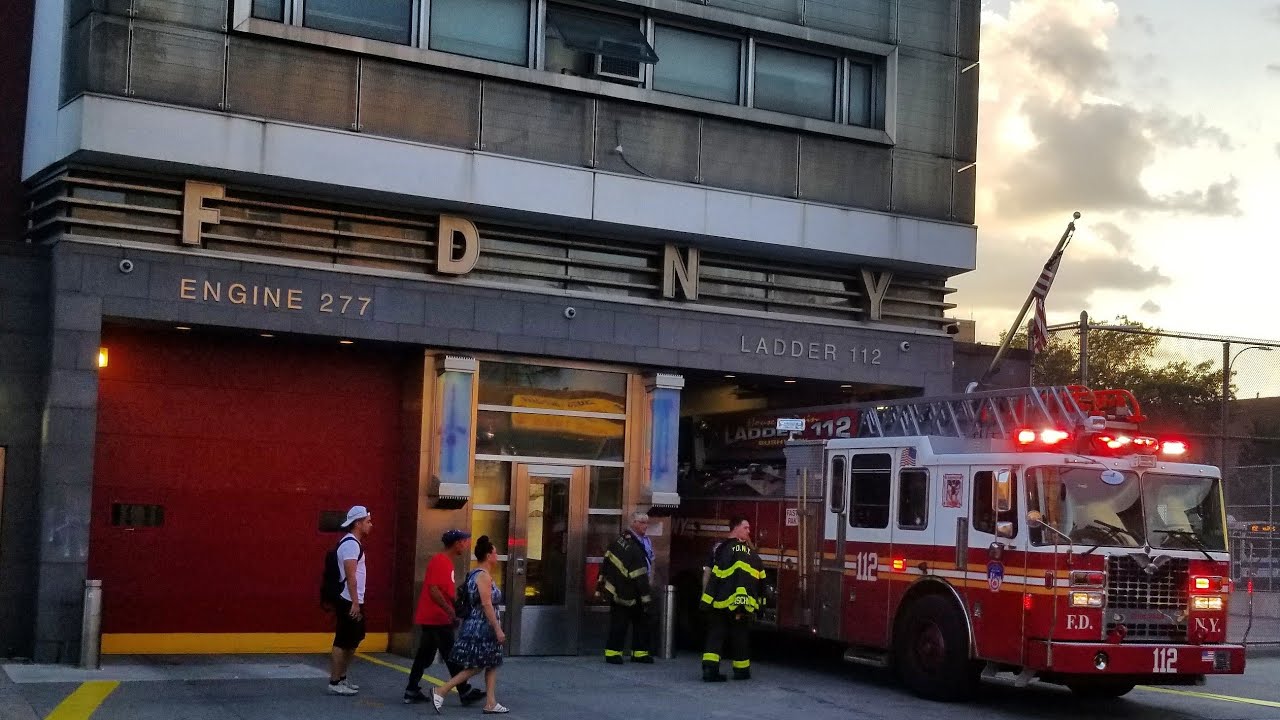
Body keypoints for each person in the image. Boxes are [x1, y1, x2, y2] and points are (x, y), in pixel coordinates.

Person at [404, 529, 485, 706]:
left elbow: (446, 590)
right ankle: (464, 691)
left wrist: (458, 605)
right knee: (451, 654)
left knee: (424, 655)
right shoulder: (441, 561)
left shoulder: (445, 562)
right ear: (457, 543)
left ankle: (411, 689)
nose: (466, 545)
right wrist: (451, 612)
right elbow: (434, 590)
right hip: (436, 617)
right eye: (464, 541)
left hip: (433, 616)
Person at [431, 535, 509, 714]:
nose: (497, 556)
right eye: (495, 553)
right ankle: (441, 690)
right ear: (488, 556)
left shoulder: (476, 573)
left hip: (479, 625)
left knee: (491, 663)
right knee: (476, 666)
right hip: (482, 627)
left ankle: (491, 702)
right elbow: (487, 604)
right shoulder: (483, 576)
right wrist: (497, 628)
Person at [700, 516, 764, 682]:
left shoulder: (719, 548)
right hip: (741, 603)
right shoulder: (750, 553)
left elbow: (709, 574)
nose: (749, 531)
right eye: (746, 528)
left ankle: (710, 670)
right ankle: (742, 671)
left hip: (719, 601)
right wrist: (760, 606)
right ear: (735, 528)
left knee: (716, 634)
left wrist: (706, 599)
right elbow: (760, 580)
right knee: (740, 635)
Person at [597, 512, 654, 664]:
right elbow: (637, 572)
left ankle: (640, 653)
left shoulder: (638, 541)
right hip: (625, 589)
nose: (645, 525)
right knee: (619, 622)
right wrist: (646, 596)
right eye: (642, 522)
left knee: (642, 621)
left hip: (634, 587)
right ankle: (613, 653)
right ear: (633, 523)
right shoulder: (628, 544)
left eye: (646, 522)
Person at [329, 505, 373, 695]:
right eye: (368, 522)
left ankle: (343, 678)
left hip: (354, 600)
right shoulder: (350, 545)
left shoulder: (354, 543)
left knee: (353, 640)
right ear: (358, 523)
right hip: (349, 600)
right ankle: (334, 681)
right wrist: (355, 603)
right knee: (343, 640)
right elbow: (351, 575)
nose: (371, 525)